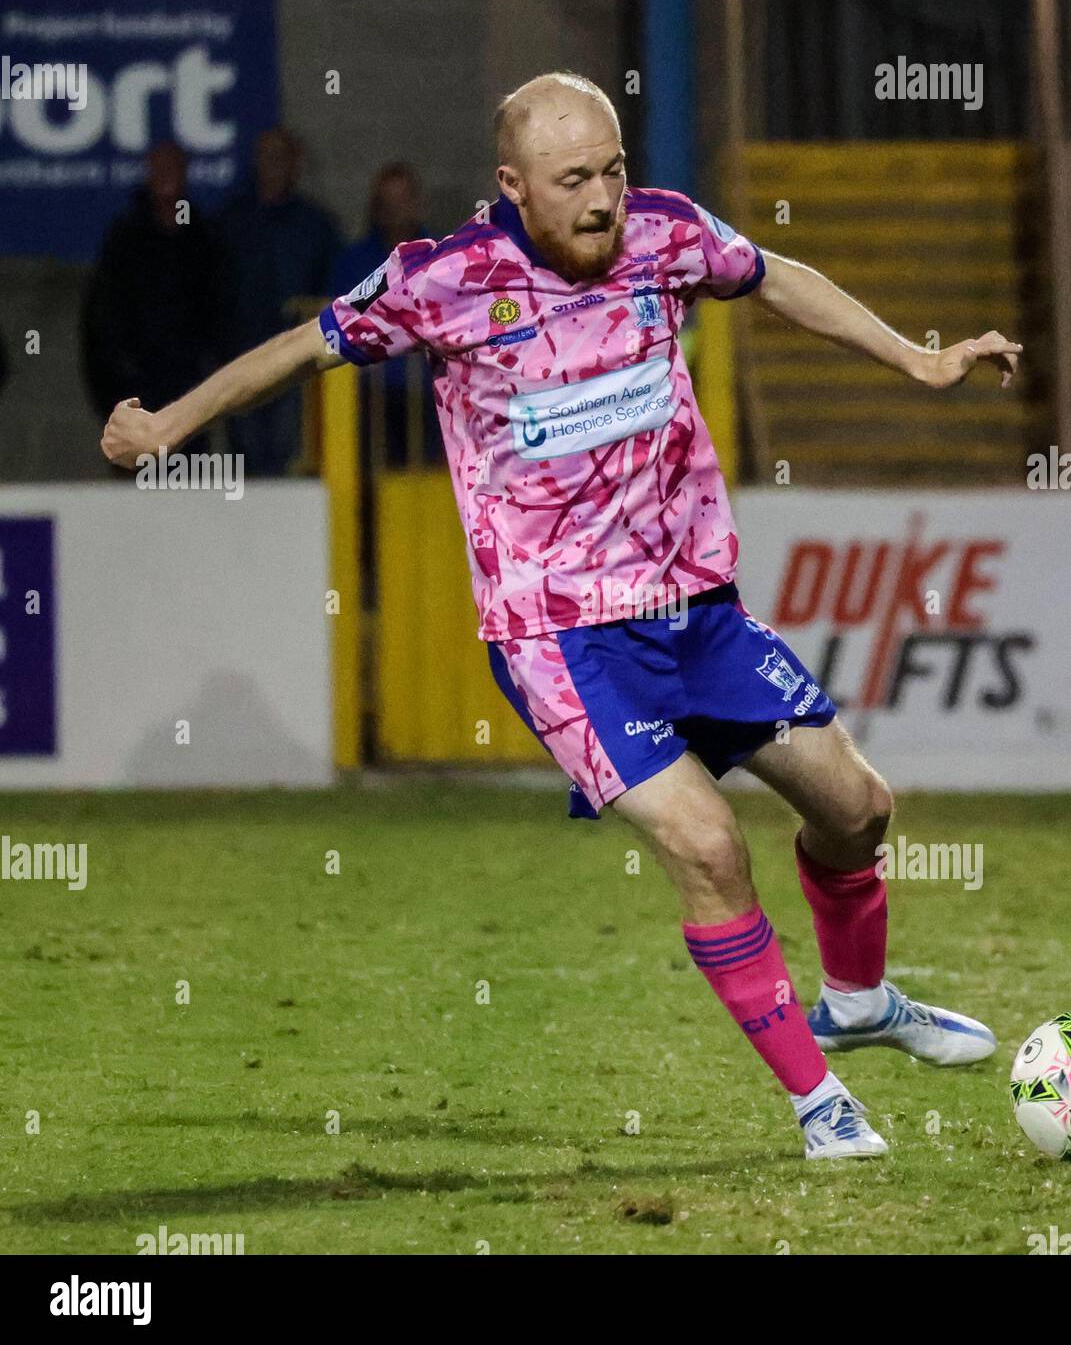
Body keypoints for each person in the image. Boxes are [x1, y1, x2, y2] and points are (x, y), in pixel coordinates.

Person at [102, 71, 1022, 1161]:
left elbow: (774, 276)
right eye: (574, 179)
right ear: (515, 186)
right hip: (565, 640)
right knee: (709, 844)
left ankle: (862, 1003)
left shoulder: (664, 235)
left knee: (860, 808)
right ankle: (821, 1105)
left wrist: (918, 358)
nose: (603, 198)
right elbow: (302, 350)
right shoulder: (446, 279)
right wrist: (168, 426)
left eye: (615, 170)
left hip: (700, 611)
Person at [81, 142, 231, 454]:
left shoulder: (205, 237)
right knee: (136, 480)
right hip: (135, 387)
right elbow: (102, 317)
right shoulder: (124, 238)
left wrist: (211, 367)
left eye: (173, 168)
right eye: (159, 169)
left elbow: (221, 308)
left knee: (189, 477)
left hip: (191, 388)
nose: (166, 176)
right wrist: (116, 377)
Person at [219, 127, 342, 475]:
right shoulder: (232, 222)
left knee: (290, 451)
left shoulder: (316, 225)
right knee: (245, 454)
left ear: (294, 163)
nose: (272, 165)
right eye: (265, 156)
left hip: (298, 361)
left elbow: (334, 292)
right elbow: (216, 291)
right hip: (241, 355)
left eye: (280, 156)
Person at [330, 161, 440, 467]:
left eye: (402, 200)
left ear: (419, 203)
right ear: (375, 208)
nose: (396, 210)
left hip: (428, 390)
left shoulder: (444, 256)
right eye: (387, 202)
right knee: (369, 474)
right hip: (369, 391)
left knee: (430, 476)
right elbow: (339, 323)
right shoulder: (352, 262)